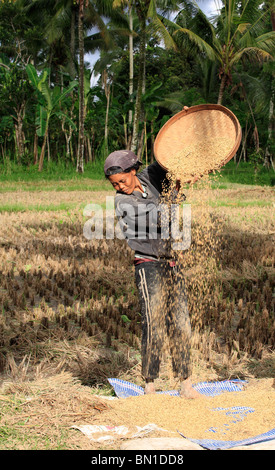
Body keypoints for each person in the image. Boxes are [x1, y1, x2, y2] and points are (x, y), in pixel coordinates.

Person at [104, 149, 201, 399]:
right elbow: (160, 219)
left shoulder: (150, 176)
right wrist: (175, 193)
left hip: (172, 261)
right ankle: (150, 385)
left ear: (133, 171)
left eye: (122, 180)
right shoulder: (123, 202)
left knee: (181, 323)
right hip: (147, 264)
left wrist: (185, 125)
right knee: (154, 322)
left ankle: (186, 383)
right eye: (115, 184)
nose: (120, 187)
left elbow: (167, 156)